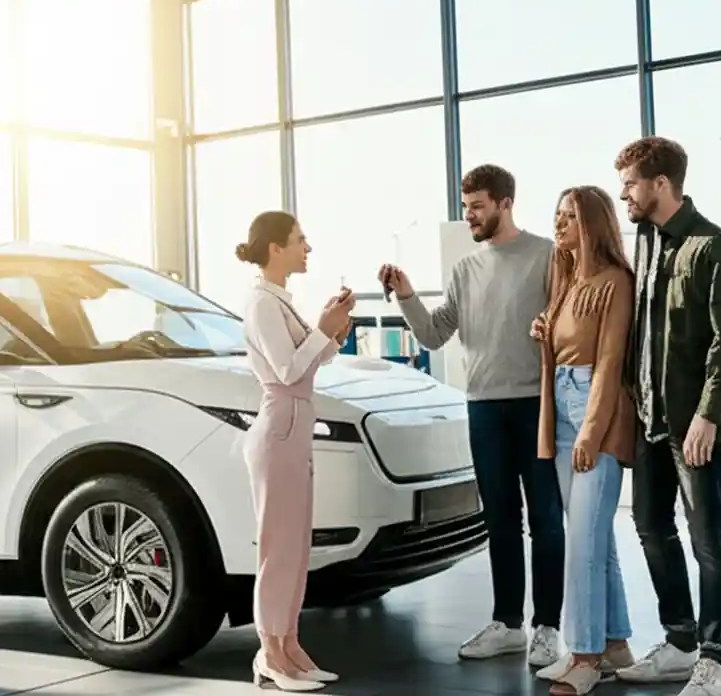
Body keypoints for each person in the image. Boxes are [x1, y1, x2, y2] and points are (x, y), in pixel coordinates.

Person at [378, 164, 564, 667]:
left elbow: (569, 328)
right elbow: (435, 334)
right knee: (500, 519)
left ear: (505, 203)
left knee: (546, 518)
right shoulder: (464, 269)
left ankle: (549, 627)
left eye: (478, 206)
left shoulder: (546, 255)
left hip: (536, 406)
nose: (470, 217)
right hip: (482, 407)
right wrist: (407, 295)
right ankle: (508, 624)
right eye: (465, 207)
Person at [612, 137, 721, 696]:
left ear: (660, 184)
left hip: (694, 424)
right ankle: (680, 641)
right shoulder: (644, 245)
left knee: (707, 538)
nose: (624, 195)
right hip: (649, 417)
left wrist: (708, 417)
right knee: (650, 526)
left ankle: (714, 660)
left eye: (630, 185)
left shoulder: (713, 247)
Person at [237, 210, 355, 692]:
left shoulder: (279, 302)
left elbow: (310, 361)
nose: (307, 248)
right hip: (280, 428)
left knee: (296, 548)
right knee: (278, 549)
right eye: (300, 240)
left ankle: (290, 645)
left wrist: (331, 330)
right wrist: (323, 331)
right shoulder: (262, 303)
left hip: (294, 427)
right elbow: (287, 371)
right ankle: (270, 652)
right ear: (275, 249)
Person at [529, 186, 637, 694]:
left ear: (592, 223)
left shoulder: (616, 281)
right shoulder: (568, 280)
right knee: (595, 535)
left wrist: (592, 432)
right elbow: (567, 343)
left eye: (569, 216)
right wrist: (545, 334)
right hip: (563, 404)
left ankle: (585, 656)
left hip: (596, 410)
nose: (559, 224)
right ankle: (615, 645)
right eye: (556, 215)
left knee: (583, 542)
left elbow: (611, 362)